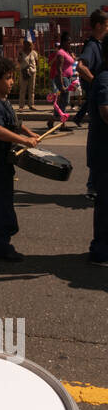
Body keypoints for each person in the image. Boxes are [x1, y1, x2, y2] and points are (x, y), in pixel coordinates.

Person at [0, 56, 39, 262]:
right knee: (1, 199)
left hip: (1, 157)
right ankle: (2, 245)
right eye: (8, 78)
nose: (12, 81)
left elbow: (14, 123)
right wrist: (24, 140)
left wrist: (29, 133)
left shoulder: (3, 101)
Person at [86, 34, 108, 264]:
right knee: (105, 205)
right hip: (104, 154)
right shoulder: (104, 78)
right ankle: (99, 250)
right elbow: (106, 112)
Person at [48, 32, 75, 126]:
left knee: (63, 100)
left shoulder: (67, 52)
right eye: (68, 42)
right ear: (63, 42)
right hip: (62, 78)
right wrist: (62, 84)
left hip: (68, 78)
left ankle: (54, 119)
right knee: (65, 100)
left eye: (70, 43)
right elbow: (59, 69)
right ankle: (61, 122)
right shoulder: (60, 53)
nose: (70, 44)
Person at [17, 40, 38, 112]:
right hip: (24, 72)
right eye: (25, 44)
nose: (27, 46)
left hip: (32, 72)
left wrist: (33, 68)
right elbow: (19, 61)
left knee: (32, 89)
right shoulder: (21, 53)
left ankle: (31, 105)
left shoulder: (34, 53)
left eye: (29, 44)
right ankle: (21, 106)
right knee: (23, 89)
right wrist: (20, 55)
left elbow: (36, 62)